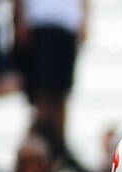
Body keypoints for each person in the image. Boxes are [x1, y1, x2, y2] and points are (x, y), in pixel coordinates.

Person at [13, 0, 87, 136]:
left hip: (67, 23)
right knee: (41, 91)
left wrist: (84, 20)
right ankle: (42, 138)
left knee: (61, 92)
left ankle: (57, 141)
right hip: (39, 22)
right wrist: (20, 19)